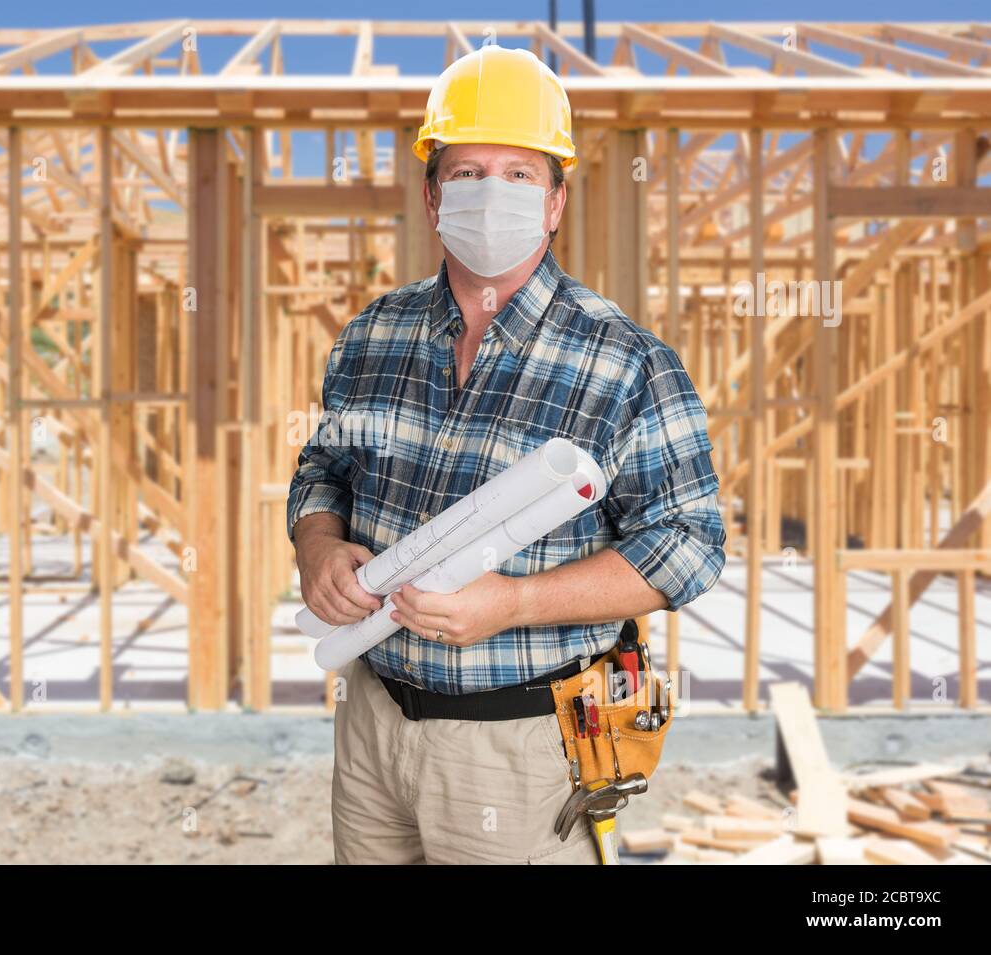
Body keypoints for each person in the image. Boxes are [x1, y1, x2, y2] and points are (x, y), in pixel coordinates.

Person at [287, 44, 725, 865]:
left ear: (556, 202)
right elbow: (323, 471)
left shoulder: (625, 362)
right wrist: (316, 544)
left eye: (520, 175)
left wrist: (515, 603)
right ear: (431, 196)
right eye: (467, 172)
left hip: (521, 748)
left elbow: (690, 548)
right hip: (373, 721)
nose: (492, 193)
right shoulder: (373, 336)